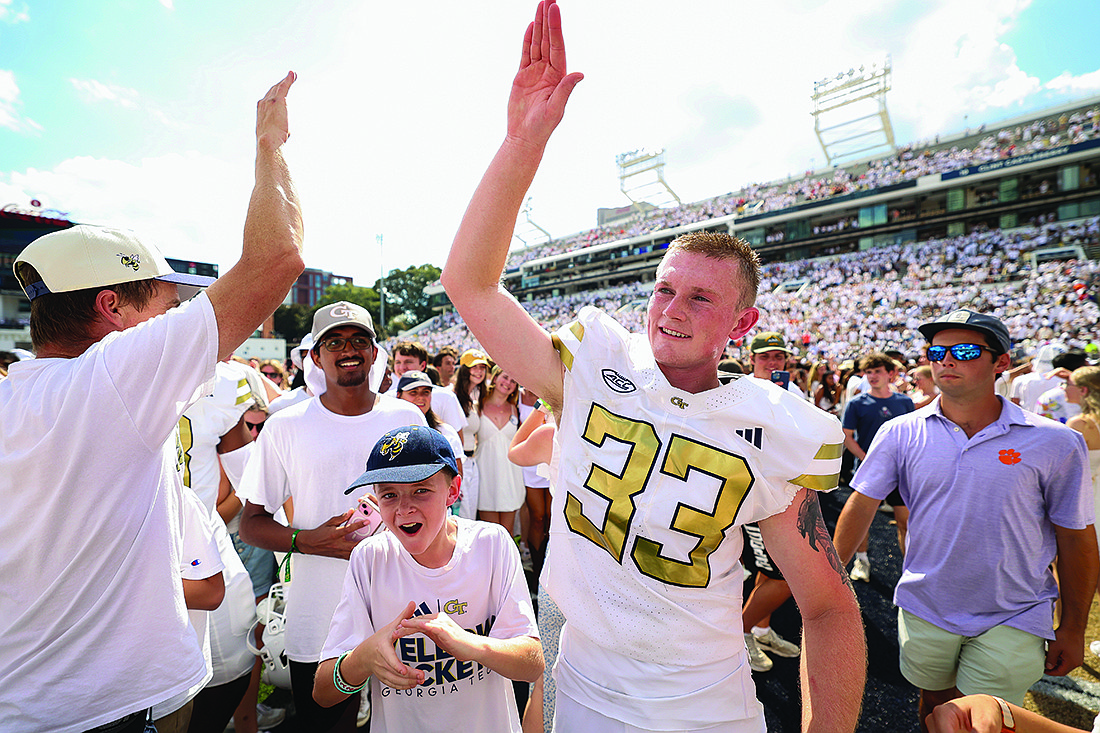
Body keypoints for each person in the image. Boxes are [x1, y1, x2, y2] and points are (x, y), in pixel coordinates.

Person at [439, 3, 864, 730]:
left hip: (706, 709)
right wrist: (522, 143)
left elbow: (827, 605)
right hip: (584, 694)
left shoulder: (765, 425)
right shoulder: (591, 367)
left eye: (701, 297)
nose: (672, 308)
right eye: (665, 288)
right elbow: (470, 285)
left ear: (742, 324)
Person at [0, 72, 303, 733]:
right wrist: (269, 148)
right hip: (93, 711)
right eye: (164, 306)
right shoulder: (111, 378)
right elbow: (278, 258)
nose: (174, 319)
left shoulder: (11, 395)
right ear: (111, 307)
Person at [832, 308, 1098, 732]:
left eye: (965, 351)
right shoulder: (900, 431)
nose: (946, 360)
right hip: (925, 603)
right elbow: (861, 504)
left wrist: (1073, 626)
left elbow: (1076, 537)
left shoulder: (1056, 441)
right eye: (937, 352)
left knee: (982, 722)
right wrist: (829, 585)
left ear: (1001, 361)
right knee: (934, 705)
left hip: (1014, 611)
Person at [238, 301, 425, 733]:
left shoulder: (406, 417)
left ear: (374, 353)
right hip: (319, 609)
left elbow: (433, 505)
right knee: (327, 724)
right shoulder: (285, 426)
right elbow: (251, 523)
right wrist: (306, 541)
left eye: (359, 340)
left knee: (412, 718)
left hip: (403, 598)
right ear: (316, 356)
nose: (348, 350)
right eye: (334, 342)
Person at [313, 425, 542, 732]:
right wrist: (362, 659)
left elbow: (532, 664)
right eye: (389, 495)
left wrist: (471, 645)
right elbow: (323, 693)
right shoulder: (370, 559)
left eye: (421, 490)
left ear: (453, 490)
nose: (404, 509)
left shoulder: (491, 545)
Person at [841, 351, 915, 580]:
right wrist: (867, 458)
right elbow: (846, 436)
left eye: (877, 371)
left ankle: (908, 569)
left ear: (890, 374)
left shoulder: (904, 402)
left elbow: (913, 434)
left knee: (905, 522)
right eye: (868, 372)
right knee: (862, 522)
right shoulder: (857, 403)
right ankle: (861, 561)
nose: (872, 376)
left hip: (900, 472)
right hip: (867, 471)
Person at [476, 366, 526, 534]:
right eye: (505, 377)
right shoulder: (478, 405)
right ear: (495, 377)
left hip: (510, 475)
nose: (508, 383)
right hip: (485, 475)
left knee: (507, 533)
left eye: (513, 381)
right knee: (490, 533)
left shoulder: (515, 408)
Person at [748, 331, 806, 398]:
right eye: (764, 356)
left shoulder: (793, 391)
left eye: (778, 356)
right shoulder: (742, 387)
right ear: (752, 359)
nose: (772, 362)